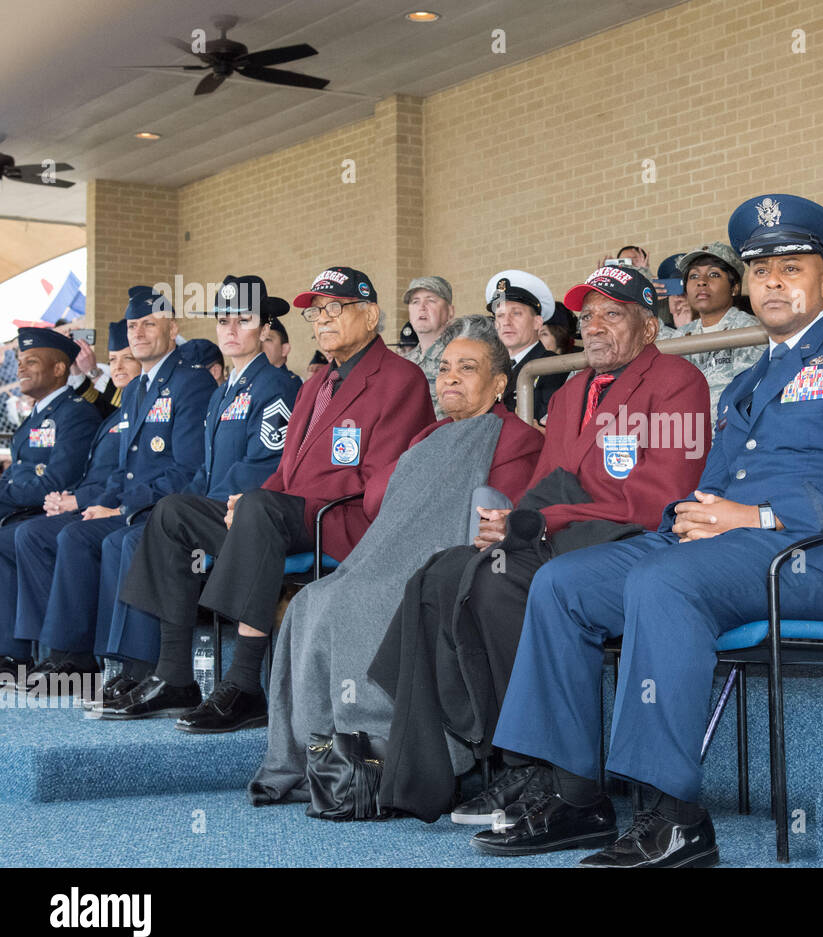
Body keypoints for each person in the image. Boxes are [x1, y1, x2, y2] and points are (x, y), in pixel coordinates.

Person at [472, 194, 823, 867]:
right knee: (561, 582)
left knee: (663, 581)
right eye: (762, 271)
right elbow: (712, 484)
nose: (775, 282)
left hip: (818, 557)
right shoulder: (751, 379)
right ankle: (574, 796)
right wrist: (689, 516)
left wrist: (753, 516)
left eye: (792, 269)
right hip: (726, 549)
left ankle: (673, 817)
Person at [365, 264, 711, 823]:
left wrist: (542, 521)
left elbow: (661, 498)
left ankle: (546, 772)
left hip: (630, 544)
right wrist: (510, 521)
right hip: (560, 539)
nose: (594, 326)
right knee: (443, 573)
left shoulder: (677, 381)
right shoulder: (572, 392)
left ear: (649, 327)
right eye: (587, 315)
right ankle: (452, 769)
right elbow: (542, 487)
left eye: (611, 314)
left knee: (495, 581)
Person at [113, 267, 436, 730]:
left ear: (371, 316)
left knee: (262, 510)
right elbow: (283, 473)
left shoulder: (399, 378)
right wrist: (246, 501)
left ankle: (245, 685)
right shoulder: (315, 385)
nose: (322, 320)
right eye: (315, 313)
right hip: (285, 518)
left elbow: (381, 481)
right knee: (173, 513)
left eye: (334, 309)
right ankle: (175, 675)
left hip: (343, 522)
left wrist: (267, 505)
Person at [250, 321, 545, 803]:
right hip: (386, 556)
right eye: (445, 368)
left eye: (467, 369)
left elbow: (495, 520)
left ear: (499, 384)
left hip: (447, 568)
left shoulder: (516, 440)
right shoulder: (426, 436)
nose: (450, 378)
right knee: (310, 601)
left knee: (355, 603)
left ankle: (379, 756)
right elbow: (377, 503)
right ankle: (318, 755)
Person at [92, 276, 300, 706]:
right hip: (216, 511)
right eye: (223, 320)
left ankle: (170, 673)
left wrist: (194, 507)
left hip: (249, 518)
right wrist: (185, 502)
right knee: (164, 517)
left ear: (264, 328)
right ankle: (166, 673)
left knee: (170, 517)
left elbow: (264, 466)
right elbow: (203, 471)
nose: (229, 329)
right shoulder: (224, 391)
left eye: (242, 320)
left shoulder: (275, 386)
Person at [10, 286, 217, 695]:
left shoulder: (191, 384)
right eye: (133, 326)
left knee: (116, 541)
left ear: (172, 328)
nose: (138, 333)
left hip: (165, 509)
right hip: (132, 503)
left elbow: (189, 469)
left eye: (149, 325)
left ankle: (134, 663)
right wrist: (102, 503)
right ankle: (72, 657)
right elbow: (123, 468)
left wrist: (123, 509)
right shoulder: (139, 389)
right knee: (75, 533)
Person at [0, 322, 142, 687]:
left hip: (98, 510)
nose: (119, 367)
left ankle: (60, 653)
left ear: (60, 367)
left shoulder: (79, 411)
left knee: (32, 535)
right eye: (113, 360)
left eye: (129, 359)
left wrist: (84, 501)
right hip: (80, 504)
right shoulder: (116, 413)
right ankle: (21, 653)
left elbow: (70, 478)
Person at [0, 328, 101, 521]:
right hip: (16, 510)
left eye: (31, 362)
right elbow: (16, 471)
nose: (20, 369)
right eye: (20, 363)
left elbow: (56, 483)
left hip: (40, 516)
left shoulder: (76, 413)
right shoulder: (37, 415)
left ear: (58, 369)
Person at [663, 242, 765, 426]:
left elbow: (747, 399)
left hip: (728, 440)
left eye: (714, 274)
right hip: (685, 440)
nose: (701, 281)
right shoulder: (680, 336)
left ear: (734, 287)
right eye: (693, 276)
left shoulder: (750, 331)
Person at [487, 270, 568, 424]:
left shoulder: (555, 368)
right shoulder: (489, 367)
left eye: (516, 313)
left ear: (537, 322)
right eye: (500, 315)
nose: (506, 322)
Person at [402, 276, 456, 402]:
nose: (422, 307)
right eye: (415, 301)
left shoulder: (461, 359)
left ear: (450, 311)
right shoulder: (403, 363)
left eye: (431, 300)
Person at [260, 316, 303, 391]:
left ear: (284, 349)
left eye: (267, 339)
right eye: (259, 339)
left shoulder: (289, 384)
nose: (260, 344)